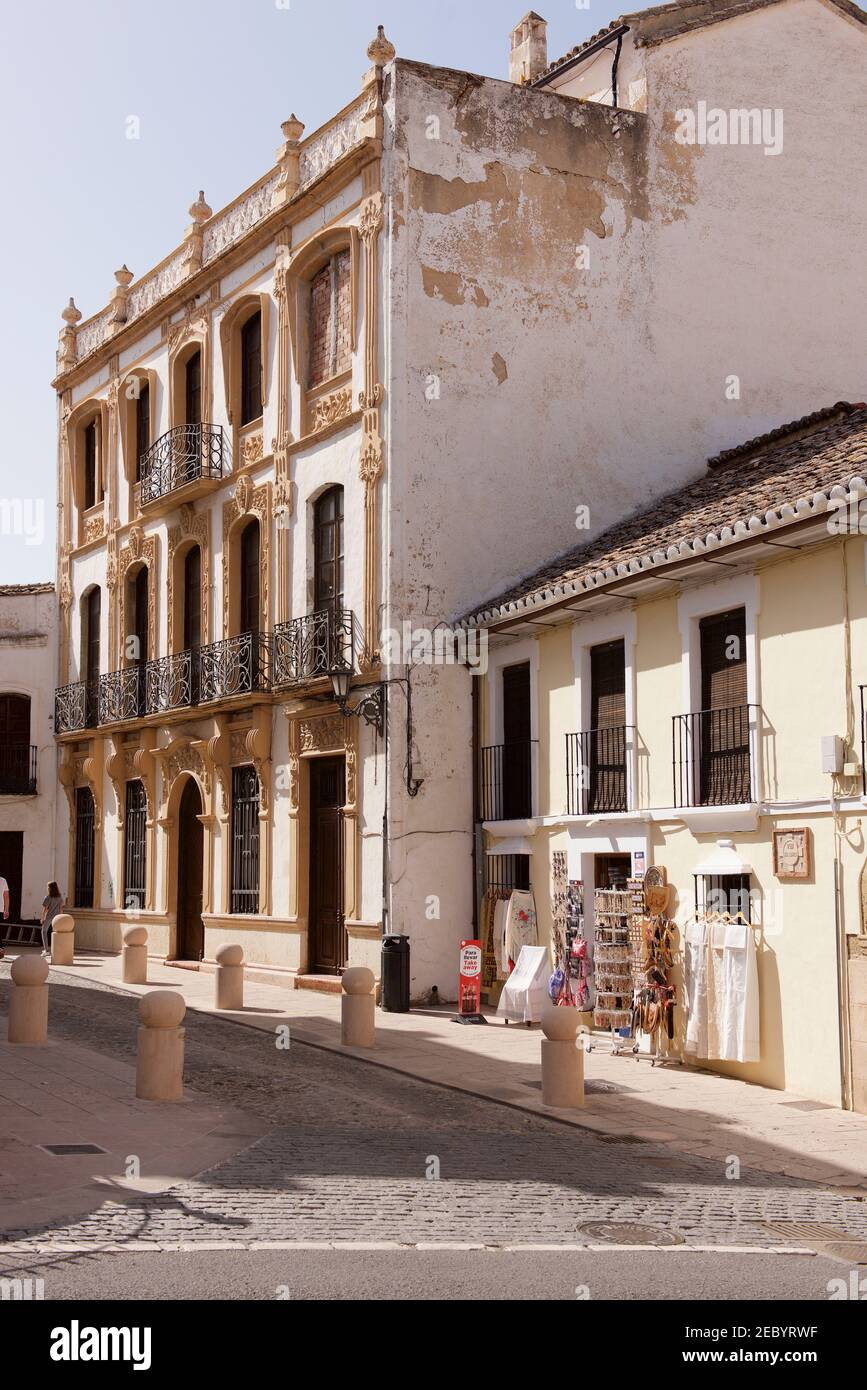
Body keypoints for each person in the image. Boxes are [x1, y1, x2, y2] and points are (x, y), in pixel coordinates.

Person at [40, 881, 65, 957]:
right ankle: (57, 950)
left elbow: (44, 909)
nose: (47, 888)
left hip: (49, 917)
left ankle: (46, 950)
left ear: (50, 888)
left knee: (44, 932)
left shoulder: (48, 897)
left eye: (48, 887)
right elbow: (61, 908)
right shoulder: (60, 897)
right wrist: (61, 917)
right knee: (56, 934)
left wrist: (42, 918)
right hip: (57, 917)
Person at [0, 871, 8, 959]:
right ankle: (0, 949)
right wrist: (6, 909)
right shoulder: (3, 880)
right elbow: (6, 896)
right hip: (0, 909)